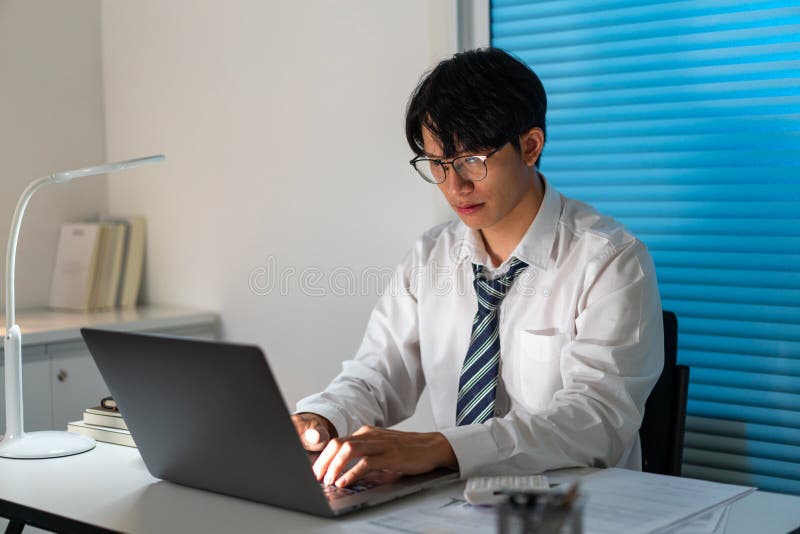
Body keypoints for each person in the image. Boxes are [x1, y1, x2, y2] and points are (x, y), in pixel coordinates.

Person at [292, 48, 663, 489]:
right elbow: (378, 373)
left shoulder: (611, 260)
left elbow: (594, 420)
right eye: (438, 164)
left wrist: (443, 449)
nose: (455, 186)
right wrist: (322, 419)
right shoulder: (431, 256)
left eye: (472, 160)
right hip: (455, 503)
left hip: (576, 505)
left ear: (530, 147)